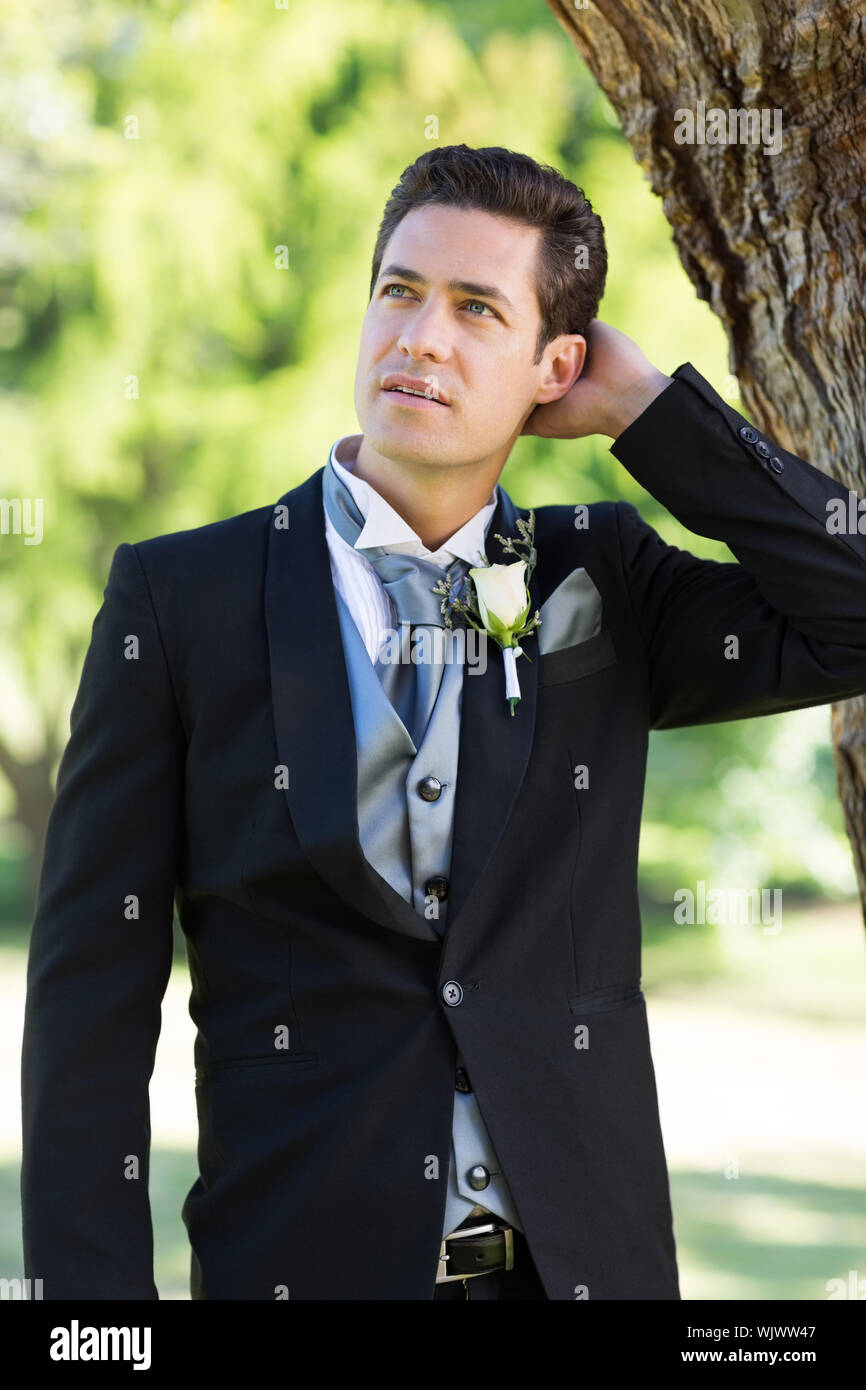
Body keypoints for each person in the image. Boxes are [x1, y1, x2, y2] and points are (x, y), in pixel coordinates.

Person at [21, 144, 866, 1301]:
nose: (420, 337)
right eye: (400, 291)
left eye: (477, 309)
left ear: (551, 364)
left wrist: (644, 408)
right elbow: (88, 1003)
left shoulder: (602, 581)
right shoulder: (180, 603)